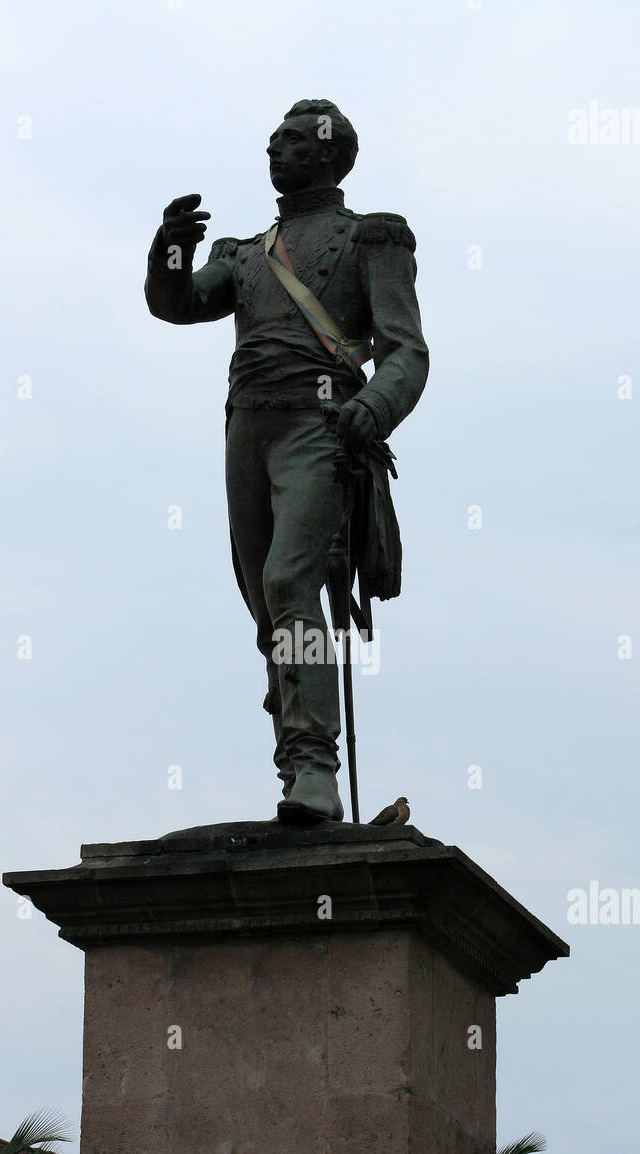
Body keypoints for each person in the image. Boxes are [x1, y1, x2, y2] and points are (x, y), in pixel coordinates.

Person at [145, 99, 428, 823]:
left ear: (332, 151)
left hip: (320, 427)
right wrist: (170, 248)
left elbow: (406, 351)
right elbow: (178, 305)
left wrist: (375, 408)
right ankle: (295, 759)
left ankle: (314, 769)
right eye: (274, 139)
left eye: (295, 140)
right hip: (248, 429)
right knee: (269, 605)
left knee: (288, 581)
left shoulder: (373, 238)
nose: (277, 148)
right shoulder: (240, 253)